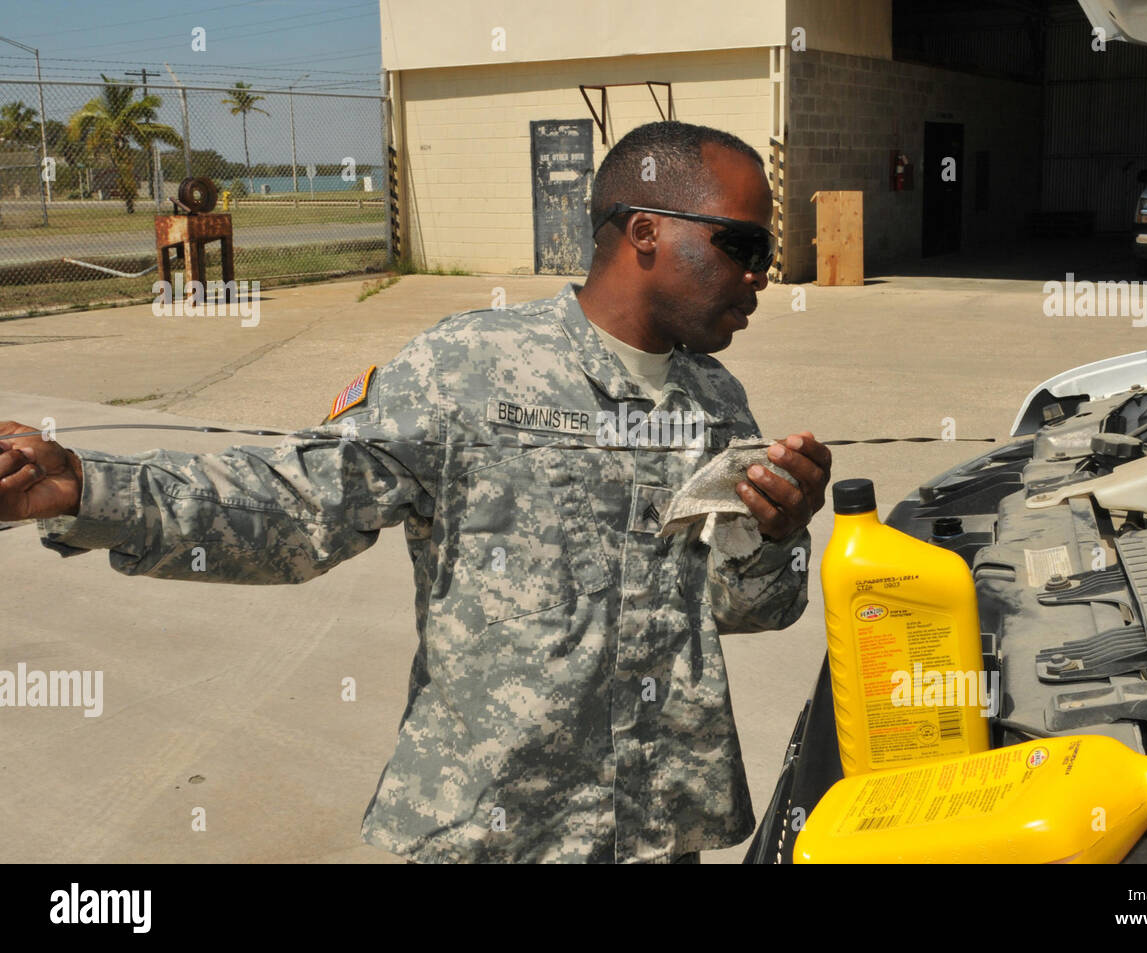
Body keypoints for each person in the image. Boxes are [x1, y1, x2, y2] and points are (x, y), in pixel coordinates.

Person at [0, 120, 831, 863]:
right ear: (646, 231)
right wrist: (89, 489)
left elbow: (739, 607)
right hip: (498, 830)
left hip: (656, 831)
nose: (762, 275)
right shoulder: (466, 367)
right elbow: (298, 502)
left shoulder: (715, 403)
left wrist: (775, 534)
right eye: (744, 246)